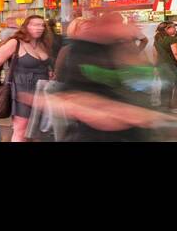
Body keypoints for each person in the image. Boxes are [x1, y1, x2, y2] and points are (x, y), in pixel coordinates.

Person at [52, 13, 166, 142]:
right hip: (93, 118)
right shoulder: (74, 50)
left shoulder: (112, 47)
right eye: (85, 28)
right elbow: (65, 78)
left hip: (116, 117)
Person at [0, 14, 55, 142]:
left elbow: (47, 66)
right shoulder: (15, 43)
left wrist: (50, 73)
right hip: (22, 90)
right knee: (21, 129)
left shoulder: (43, 44)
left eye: (42, 25)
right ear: (26, 26)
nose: (40, 28)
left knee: (37, 132)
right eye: (35, 25)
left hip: (42, 92)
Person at [152, 21, 177, 111]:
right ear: (167, 29)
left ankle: (164, 106)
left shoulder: (157, 40)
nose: (175, 29)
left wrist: (155, 66)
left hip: (161, 66)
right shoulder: (171, 39)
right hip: (172, 65)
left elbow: (155, 54)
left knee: (166, 86)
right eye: (173, 27)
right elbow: (176, 53)